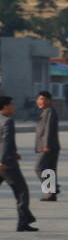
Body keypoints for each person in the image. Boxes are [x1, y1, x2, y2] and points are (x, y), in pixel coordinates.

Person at [0, 97, 37, 231]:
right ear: (5, 106)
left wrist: (14, 153)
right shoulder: (8, 121)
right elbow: (6, 142)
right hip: (7, 165)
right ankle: (23, 222)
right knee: (22, 192)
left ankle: (27, 217)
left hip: (5, 160)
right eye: (12, 105)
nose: (14, 107)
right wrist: (3, 160)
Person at [34, 91, 60, 201]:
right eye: (39, 99)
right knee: (48, 169)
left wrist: (46, 145)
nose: (41, 101)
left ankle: (53, 187)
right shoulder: (45, 111)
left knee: (39, 167)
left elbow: (48, 129)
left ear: (49, 101)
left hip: (49, 146)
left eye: (43, 99)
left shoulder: (49, 111)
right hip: (49, 145)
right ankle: (51, 194)